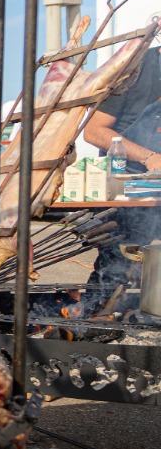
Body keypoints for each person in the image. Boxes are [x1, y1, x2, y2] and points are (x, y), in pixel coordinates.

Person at [80, 41, 161, 298]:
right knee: (116, 266)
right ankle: (93, 317)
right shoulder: (134, 67)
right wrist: (149, 157)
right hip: (124, 185)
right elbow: (94, 131)